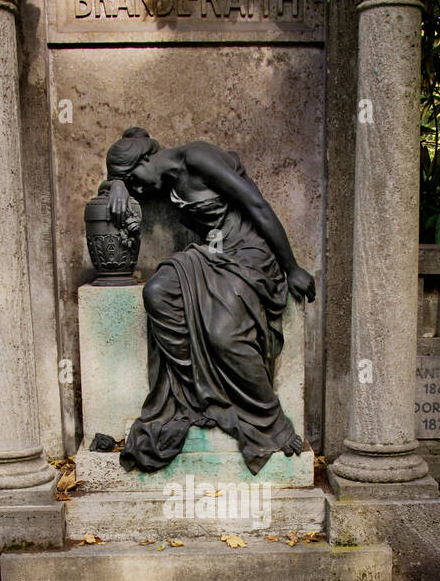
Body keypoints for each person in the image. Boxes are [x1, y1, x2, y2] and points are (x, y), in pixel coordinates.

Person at [103, 126, 316, 475]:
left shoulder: (199, 158)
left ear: (147, 158)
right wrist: (117, 184)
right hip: (213, 252)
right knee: (156, 293)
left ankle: (272, 420)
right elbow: (116, 186)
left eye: (134, 180)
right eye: (132, 185)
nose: (138, 190)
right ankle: (198, 392)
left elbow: (257, 205)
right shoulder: (161, 177)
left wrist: (292, 267)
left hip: (248, 253)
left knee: (223, 333)